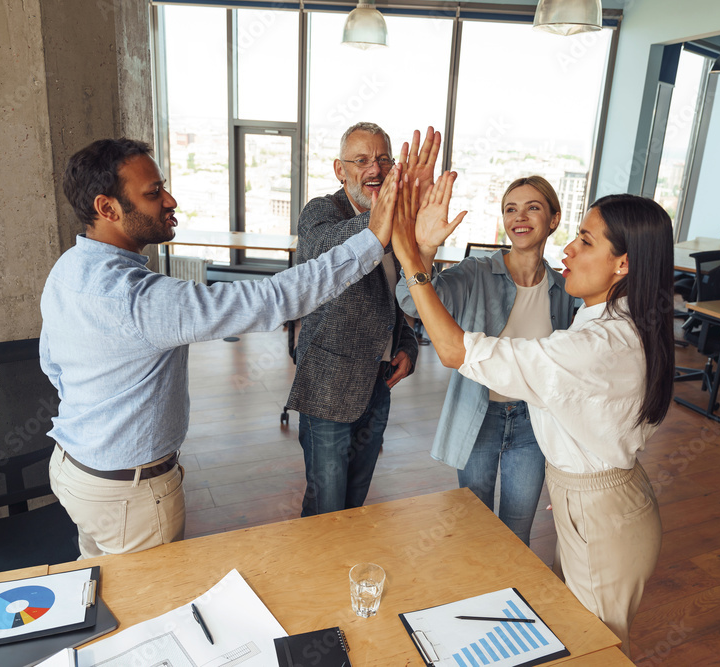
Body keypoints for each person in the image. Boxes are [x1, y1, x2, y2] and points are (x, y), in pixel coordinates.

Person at [41, 137, 401, 558]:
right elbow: (273, 299)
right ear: (108, 209)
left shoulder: (67, 268)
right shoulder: (139, 300)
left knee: (103, 592)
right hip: (129, 496)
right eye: (154, 192)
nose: (169, 200)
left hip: (73, 469)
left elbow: (54, 365)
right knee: (149, 608)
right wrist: (374, 237)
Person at [392, 160, 673, 657]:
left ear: (623, 264)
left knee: (595, 649)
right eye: (510, 209)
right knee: (571, 628)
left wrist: (409, 254)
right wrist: (574, 486)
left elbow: (458, 352)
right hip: (596, 497)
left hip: (601, 509)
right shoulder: (608, 319)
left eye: (585, 240)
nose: (570, 248)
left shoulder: (598, 340)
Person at [395, 176, 574, 546]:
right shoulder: (477, 272)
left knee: (517, 529)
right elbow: (413, 301)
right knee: (473, 526)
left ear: (554, 219)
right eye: (511, 209)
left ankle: (511, 599)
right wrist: (424, 250)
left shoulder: (561, 289)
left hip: (533, 422)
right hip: (480, 417)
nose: (519, 217)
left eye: (532, 207)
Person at [285, 122, 438, 517]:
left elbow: (402, 292)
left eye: (383, 159)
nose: (375, 169)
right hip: (328, 388)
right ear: (340, 170)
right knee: (326, 507)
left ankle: (343, 572)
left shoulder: (399, 220)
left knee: (354, 505)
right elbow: (321, 250)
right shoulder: (323, 212)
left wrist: (406, 347)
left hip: (379, 382)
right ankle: (315, 576)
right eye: (362, 160)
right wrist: (388, 214)